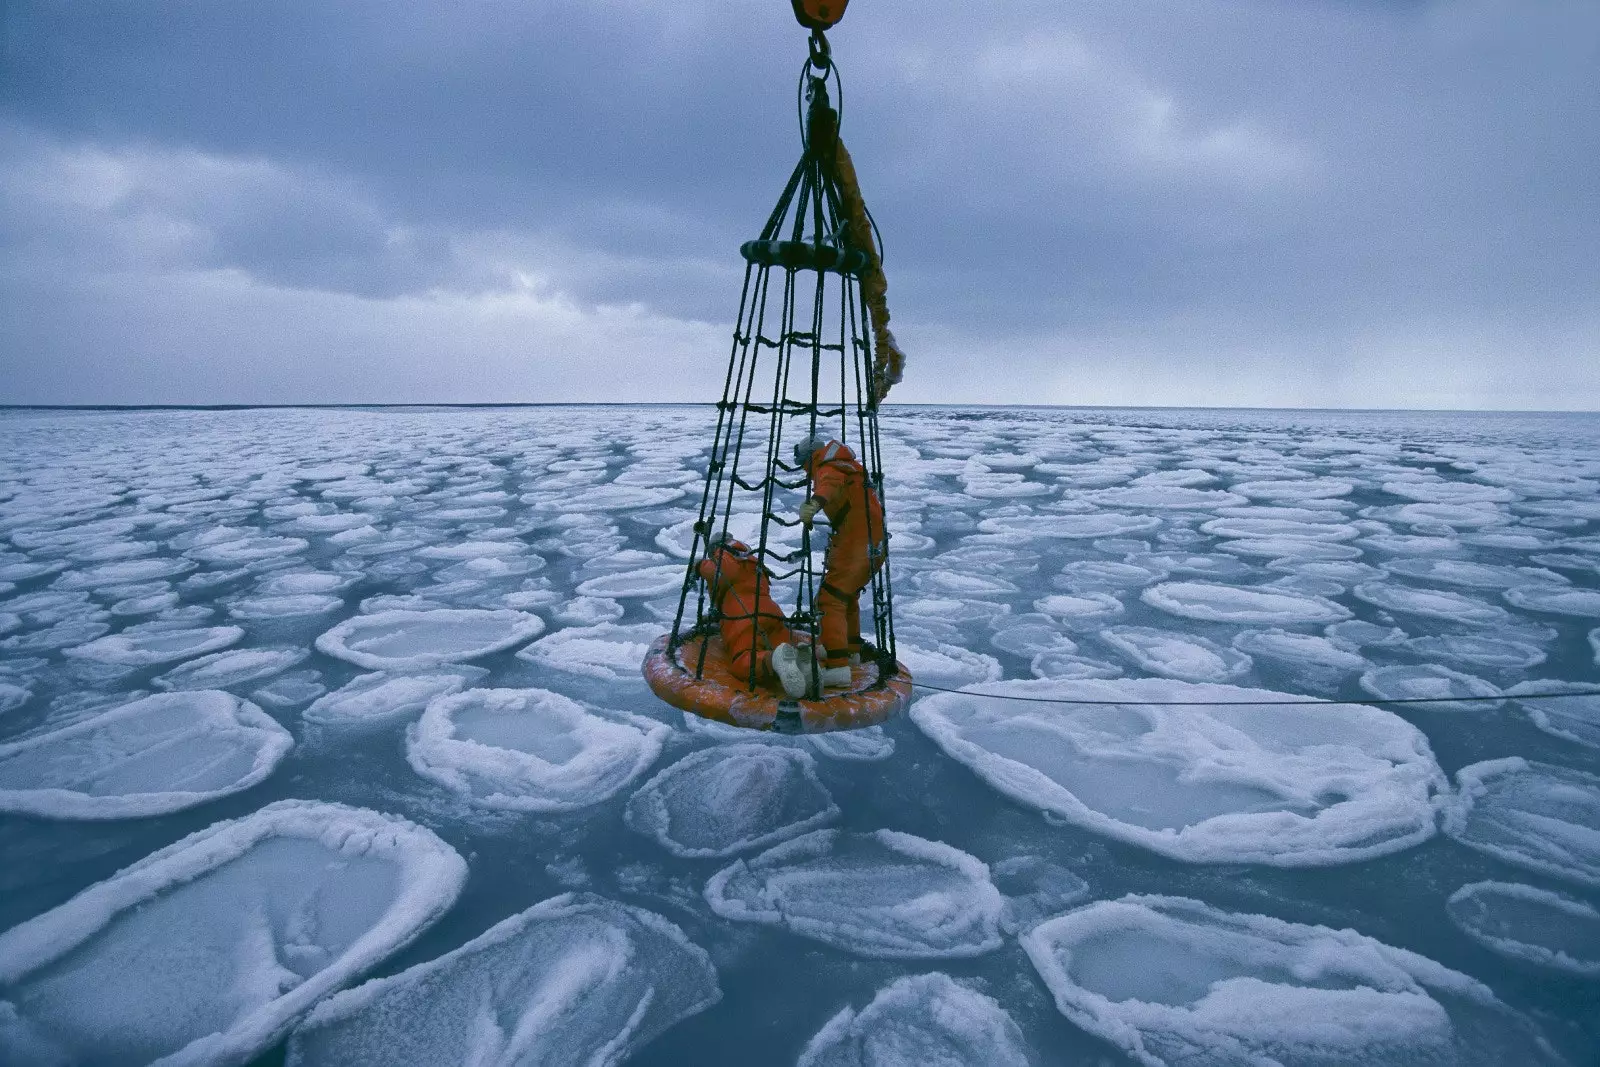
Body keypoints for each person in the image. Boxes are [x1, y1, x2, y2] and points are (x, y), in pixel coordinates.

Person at [793, 433, 885, 688]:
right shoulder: (851, 467)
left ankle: (837, 668)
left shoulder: (828, 468)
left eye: (804, 465)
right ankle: (850, 651)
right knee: (847, 596)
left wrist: (813, 505)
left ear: (812, 458)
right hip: (874, 546)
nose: (806, 472)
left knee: (828, 600)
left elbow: (828, 486)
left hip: (855, 545)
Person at [697, 534, 811, 699]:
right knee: (780, 643)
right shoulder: (752, 560)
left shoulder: (723, 555)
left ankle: (774, 660)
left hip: (743, 618)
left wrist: (699, 566)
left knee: (743, 661)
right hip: (771, 613)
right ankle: (805, 662)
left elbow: (721, 572)